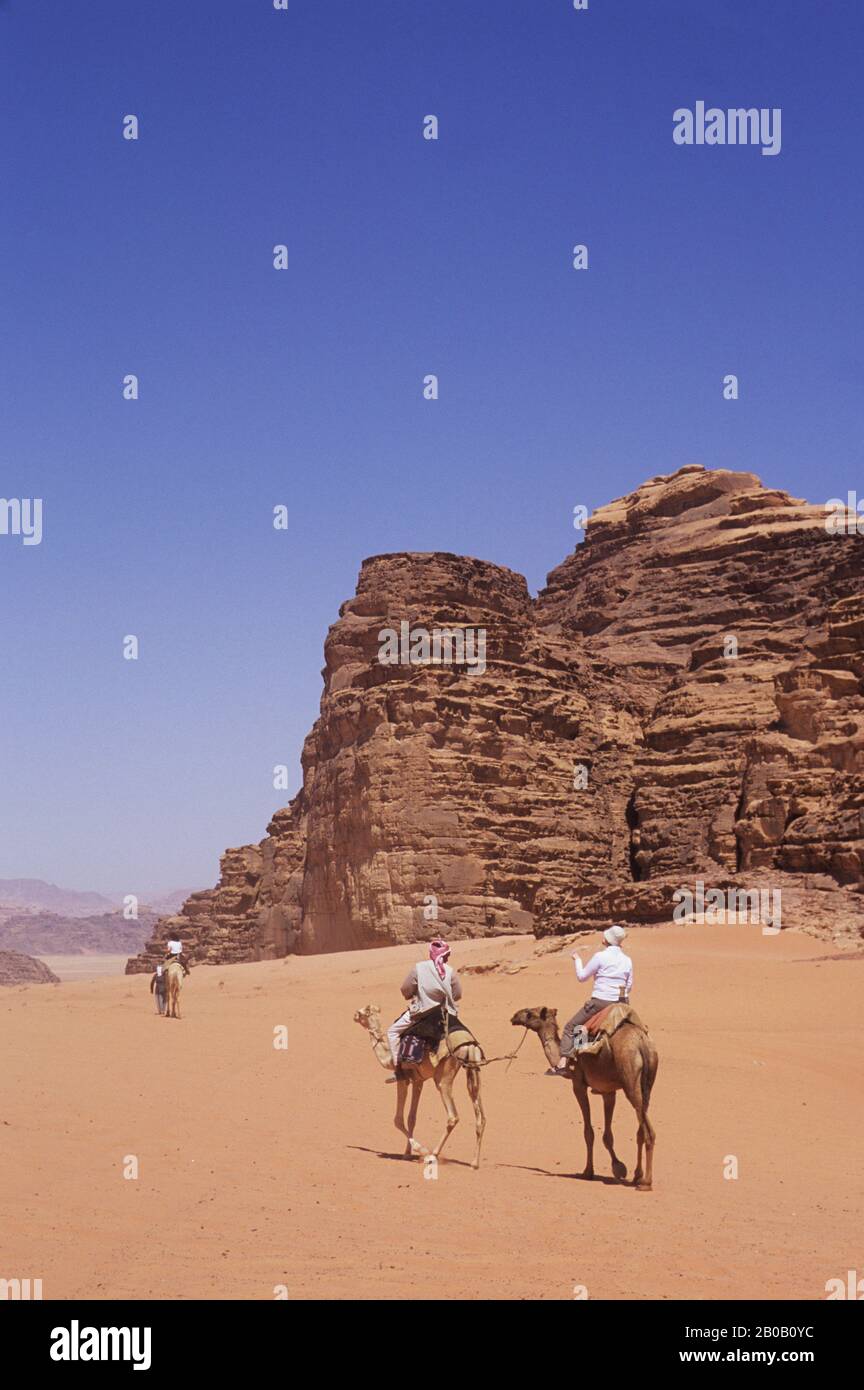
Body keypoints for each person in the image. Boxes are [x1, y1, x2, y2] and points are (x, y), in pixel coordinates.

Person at [552, 925, 633, 1072]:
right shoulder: (627, 960)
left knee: (572, 1028)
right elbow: (628, 985)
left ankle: (566, 1062)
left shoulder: (600, 956)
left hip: (600, 1002)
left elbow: (582, 977)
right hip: (622, 1003)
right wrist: (619, 999)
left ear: (606, 940)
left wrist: (577, 960)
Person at [385, 938, 463, 1080]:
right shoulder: (450, 971)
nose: (448, 957)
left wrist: (412, 994)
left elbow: (405, 989)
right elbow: (457, 995)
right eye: (448, 955)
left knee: (392, 1032)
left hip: (422, 1013)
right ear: (445, 955)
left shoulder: (419, 968)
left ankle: (398, 1070)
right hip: (445, 1014)